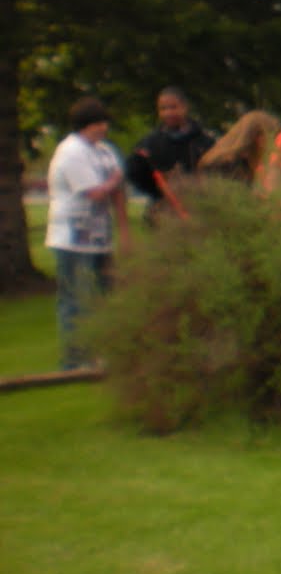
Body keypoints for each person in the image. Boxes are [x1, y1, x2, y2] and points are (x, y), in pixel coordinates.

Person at [45, 97, 129, 369]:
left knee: (107, 297)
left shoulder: (105, 151)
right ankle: (74, 360)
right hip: (71, 239)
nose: (103, 128)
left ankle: (106, 353)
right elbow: (94, 192)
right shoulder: (71, 152)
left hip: (100, 239)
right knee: (75, 300)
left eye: (104, 122)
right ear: (84, 125)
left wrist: (124, 231)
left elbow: (118, 193)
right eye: (97, 123)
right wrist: (114, 180)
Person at [124, 87, 215, 220]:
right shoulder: (150, 143)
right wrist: (159, 194)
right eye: (163, 109)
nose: (168, 113)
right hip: (164, 213)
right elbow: (134, 173)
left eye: (173, 107)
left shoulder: (205, 142)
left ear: (185, 107)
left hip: (200, 210)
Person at [198, 110, 281, 184]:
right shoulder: (224, 166)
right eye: (273, 137)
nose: (276, 144)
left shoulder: (249, 165)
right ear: (258, 138)